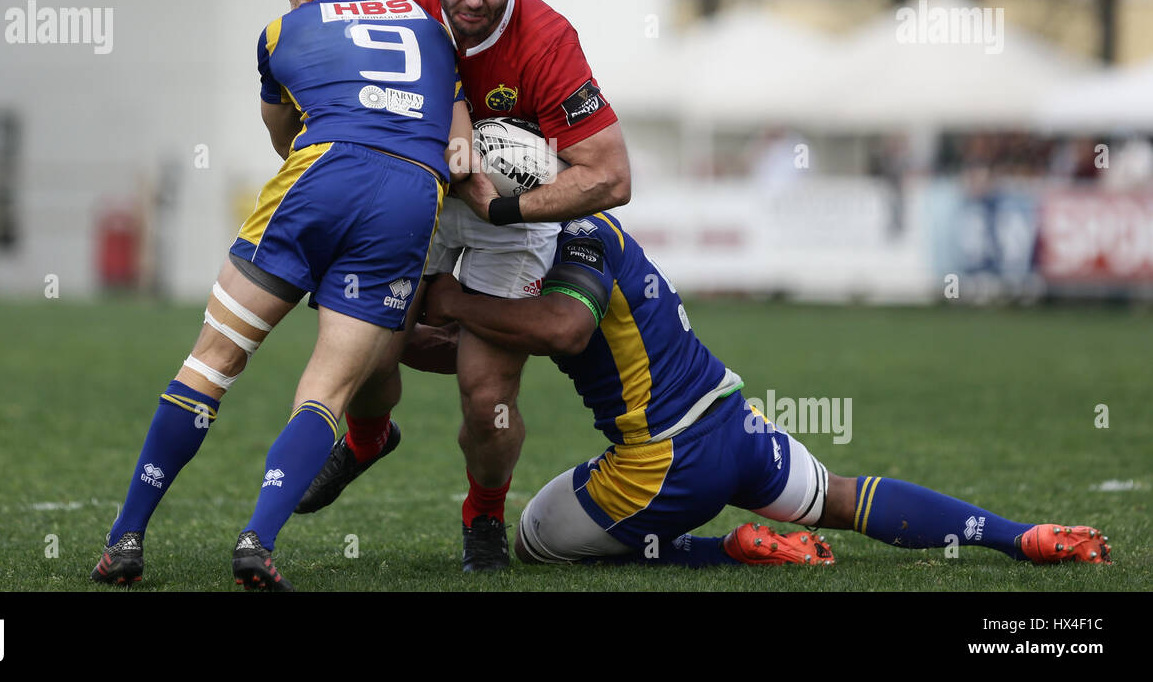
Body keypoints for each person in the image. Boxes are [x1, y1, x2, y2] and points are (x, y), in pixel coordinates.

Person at [90, 0, 472, 590]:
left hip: (323, 174)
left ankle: (126, 537)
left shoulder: (282, 30)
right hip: (412, 194)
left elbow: (282, 136)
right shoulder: (432, 30)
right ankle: (257, 542)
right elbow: (450, 114)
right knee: (326, 392)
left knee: (212, 360)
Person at [419, 211, 1113, 569]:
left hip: (663, 462)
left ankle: (728, 550)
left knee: (538, 543)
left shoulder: (571, 245)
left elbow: (563, 329)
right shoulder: (588, 225)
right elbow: (498, 345)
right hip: (733, 423)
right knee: (843, 496)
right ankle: (1023, 537)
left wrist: (448, 300)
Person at [294, 0, 633, 572]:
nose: (473, 0)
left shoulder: (548, 42)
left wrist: (503, 206)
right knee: (365, 353)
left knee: (486, 397)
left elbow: (612, 178)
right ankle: (367, 437)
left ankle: (483, 513)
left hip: (508, 212)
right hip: (419, 192)